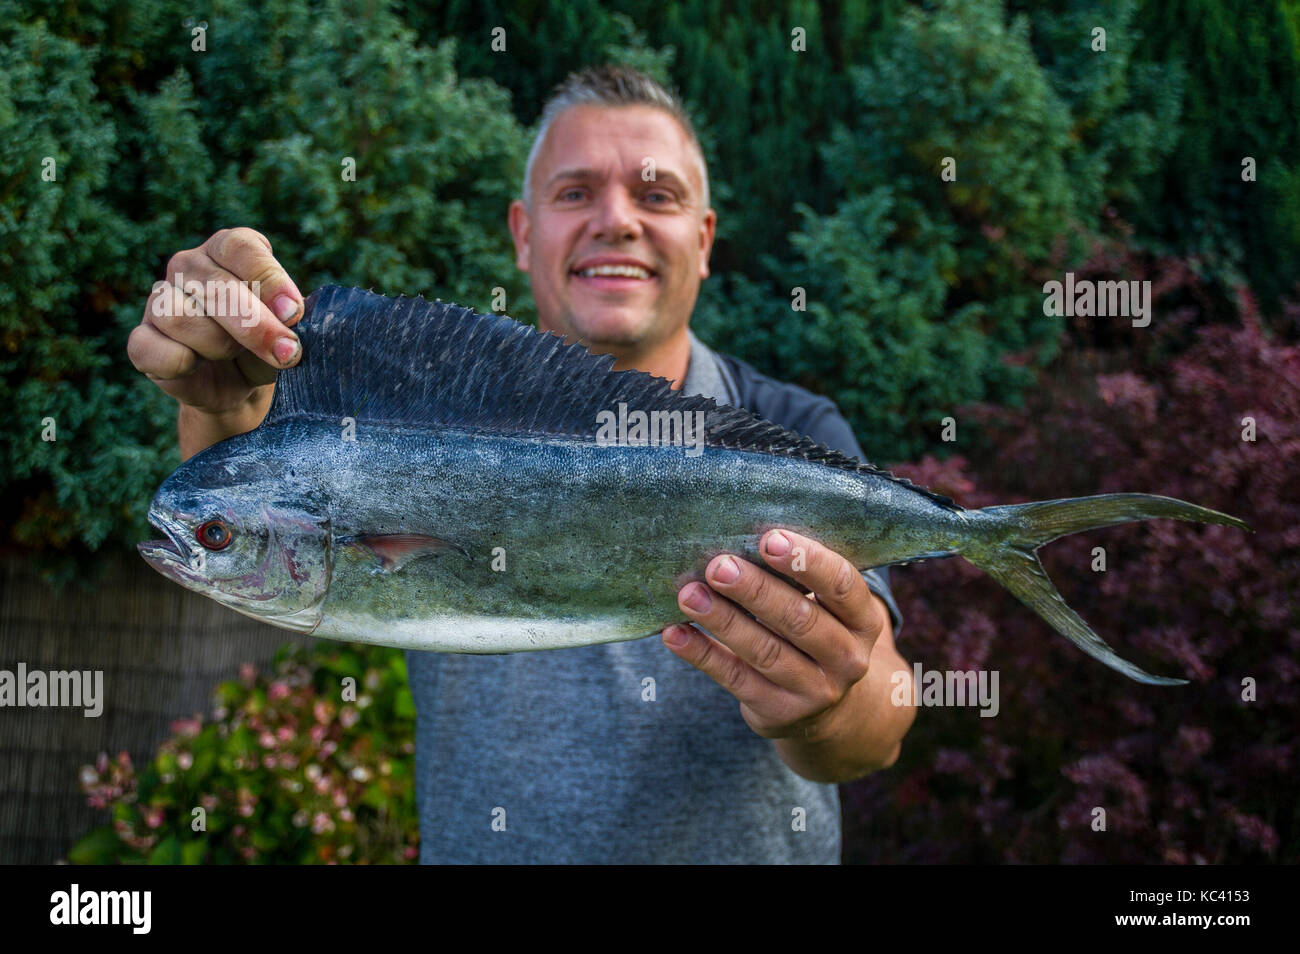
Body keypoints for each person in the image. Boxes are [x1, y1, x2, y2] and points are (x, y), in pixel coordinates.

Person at [128, 65, 917, 863]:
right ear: (522, 231)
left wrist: (821, 710)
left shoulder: (793, 430)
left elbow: (879, 726)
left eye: (657, 195)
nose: (617, 221)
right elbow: (252, 497)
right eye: (575, 193)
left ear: (705, 239)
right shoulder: (402, 412)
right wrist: (217, 399)